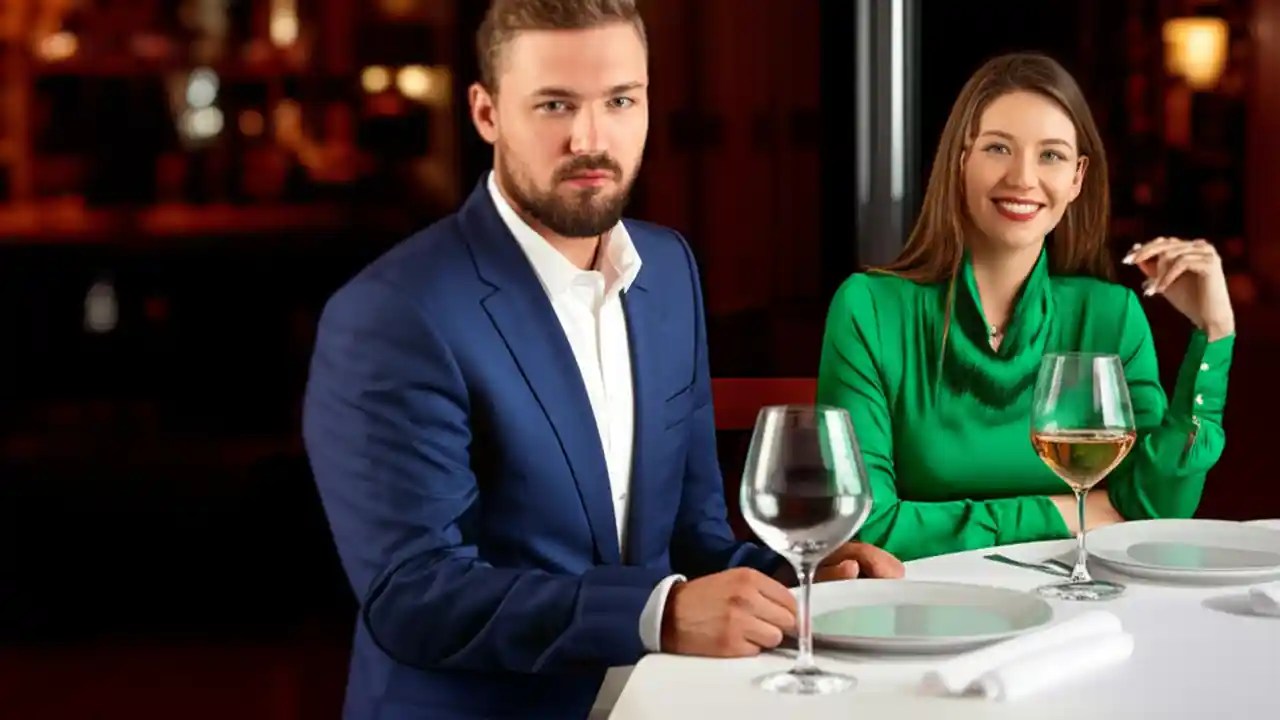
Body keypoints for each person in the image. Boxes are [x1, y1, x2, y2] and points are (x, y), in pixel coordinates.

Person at [302, 1, 903, 718]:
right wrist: (660, 615)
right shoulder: (392, 313)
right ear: (487, 113)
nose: (591, 138)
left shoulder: (667, 270)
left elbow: (693, 538)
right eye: (555, 105)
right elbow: (416, 594)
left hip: (659, 703)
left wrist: (800, 577)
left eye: (620, 101)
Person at [817, 52, 1234, 562]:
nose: (1022, 178)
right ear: (960, 160)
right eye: (998, 148)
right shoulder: (869, 310)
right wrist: (1065, 514)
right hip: (920, 615)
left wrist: (1213, 334)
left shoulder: (1111, 316)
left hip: (1077, 609)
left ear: (1077, 178)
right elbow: (866, 528)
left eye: (1051, 155)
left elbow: (1154, 510)